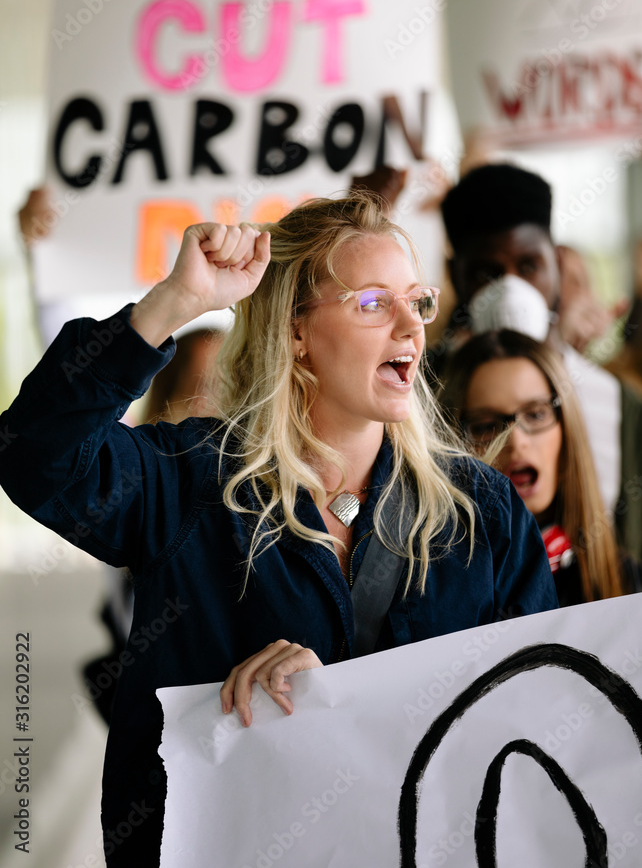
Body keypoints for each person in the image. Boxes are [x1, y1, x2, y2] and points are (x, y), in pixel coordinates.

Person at [0, 196, 558, 865]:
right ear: (296, 332)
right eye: (374, 303)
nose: (412, 326)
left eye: (419, 301)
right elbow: (35, 457)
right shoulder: (187, 481)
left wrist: (338, 702)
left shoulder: (481, 511)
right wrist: (175, 302)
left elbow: (533, 718)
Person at [430, 161, 642, 574]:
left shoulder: (625, 412)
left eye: (528, 266)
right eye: (488, 272)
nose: (511, 291)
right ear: (456, 276)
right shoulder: (416, 397)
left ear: (556, 265)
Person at [441, 329, 642, 606]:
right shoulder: (425, 596)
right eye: (486, 426)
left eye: (535, 414)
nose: (516, 441)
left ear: (567, 431)